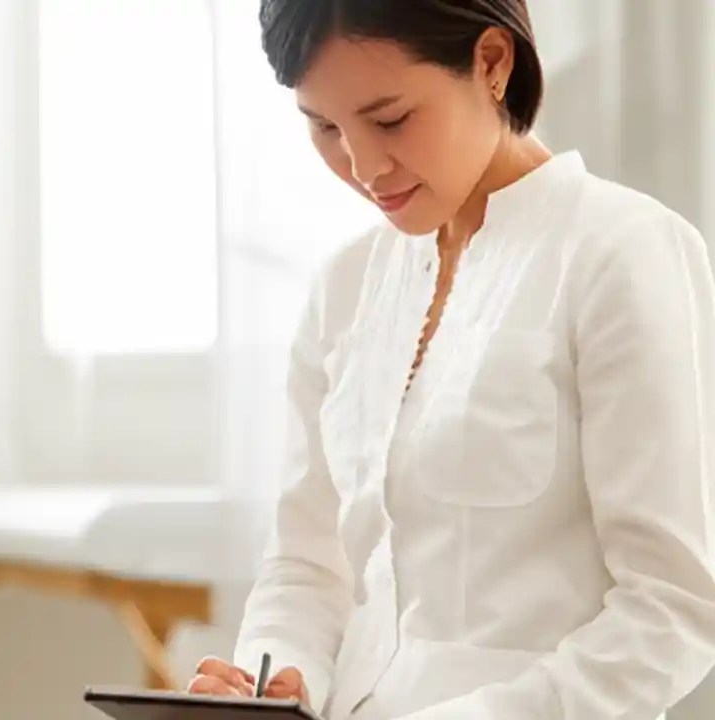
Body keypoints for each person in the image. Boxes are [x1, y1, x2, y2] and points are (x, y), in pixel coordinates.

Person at [186, 1, 715, 718]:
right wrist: (271, 686)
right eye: (326, 127)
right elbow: (306, 568)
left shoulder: (620, 252)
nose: (363, 165)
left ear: (492, 62)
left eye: (391, 119)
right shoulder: (345, 289)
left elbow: (674, 611)